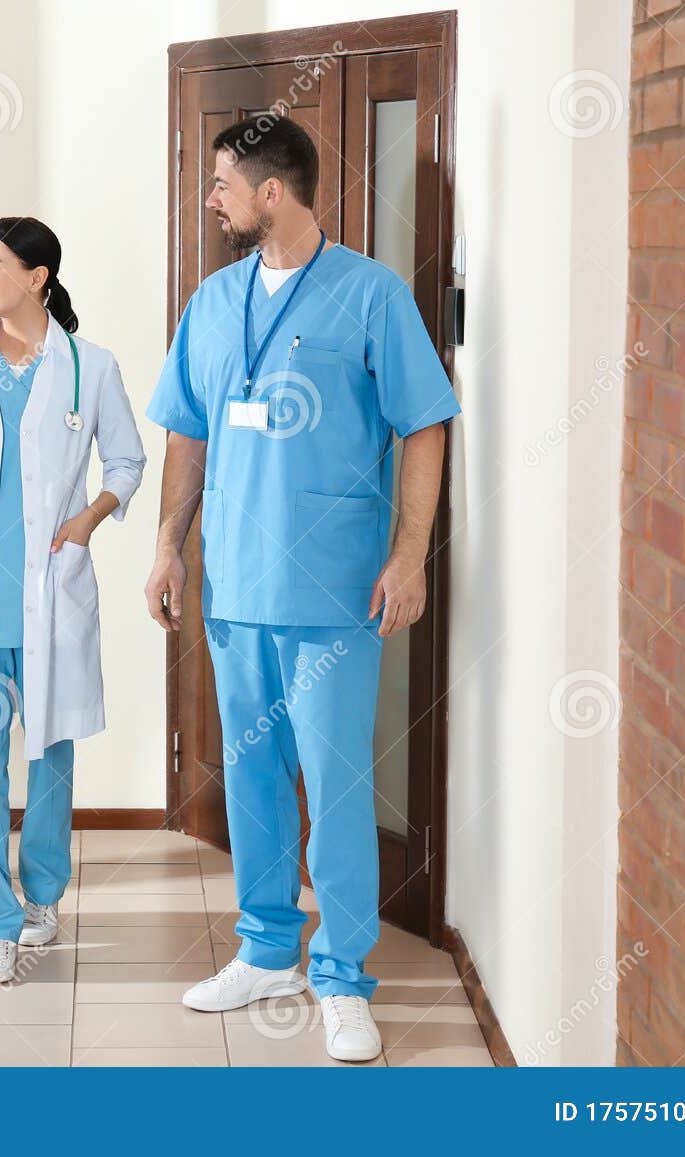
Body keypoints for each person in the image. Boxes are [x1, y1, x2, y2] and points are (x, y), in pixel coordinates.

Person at [143, 117, 460, 1061]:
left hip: (331, 590)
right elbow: (188, 435)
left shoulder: (370, 295)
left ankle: (344, 977)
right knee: (250, 777)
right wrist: (168, 544)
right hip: (233, 584)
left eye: (223, 184)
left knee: (336, 783)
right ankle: (269, 948)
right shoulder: (212, 299)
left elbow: (426, 424)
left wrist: (410, 555)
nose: (213, 198)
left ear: (271, 191)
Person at [0, 217, 145, 983]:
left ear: (37, 275)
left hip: (49, 594)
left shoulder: (91, 366)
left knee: (50, 761)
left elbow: (127, 458)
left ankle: (43, 894)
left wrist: (86, 519)